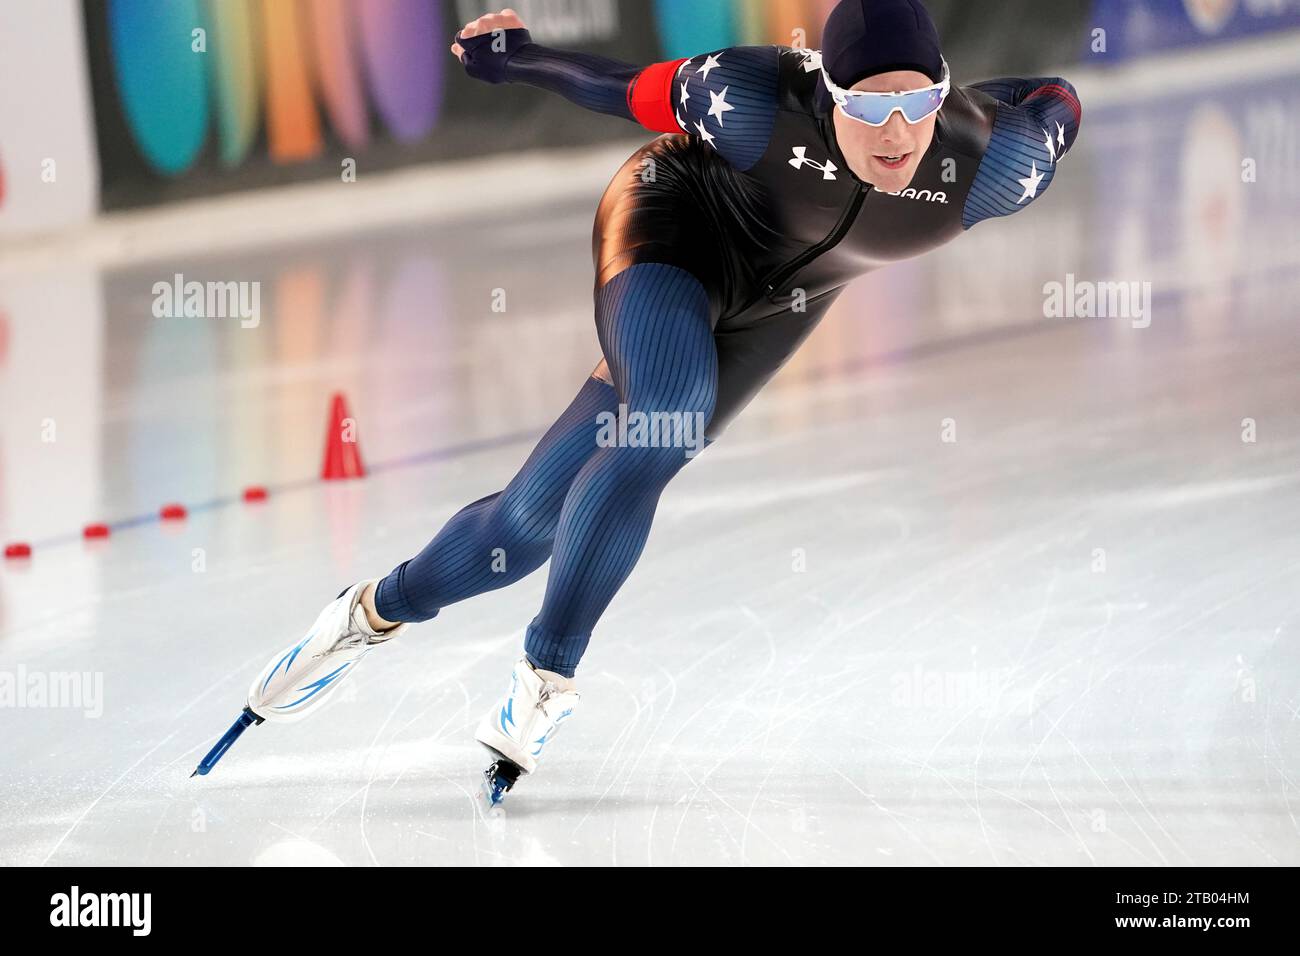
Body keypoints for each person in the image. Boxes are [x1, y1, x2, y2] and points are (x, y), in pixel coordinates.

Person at [234, 0, 1082, 801]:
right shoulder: (752, 97)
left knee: (528, 525)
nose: (895, 134)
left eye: (918, 101)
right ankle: (546, 679)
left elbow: (1056, 99)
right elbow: (619, 87)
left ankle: (367, 613)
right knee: (665, 417)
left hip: (785, 304)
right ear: (826, 95)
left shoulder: (996, 164)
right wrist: (521, 58)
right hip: (673, 222)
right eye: (866, 109)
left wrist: (988, 102)